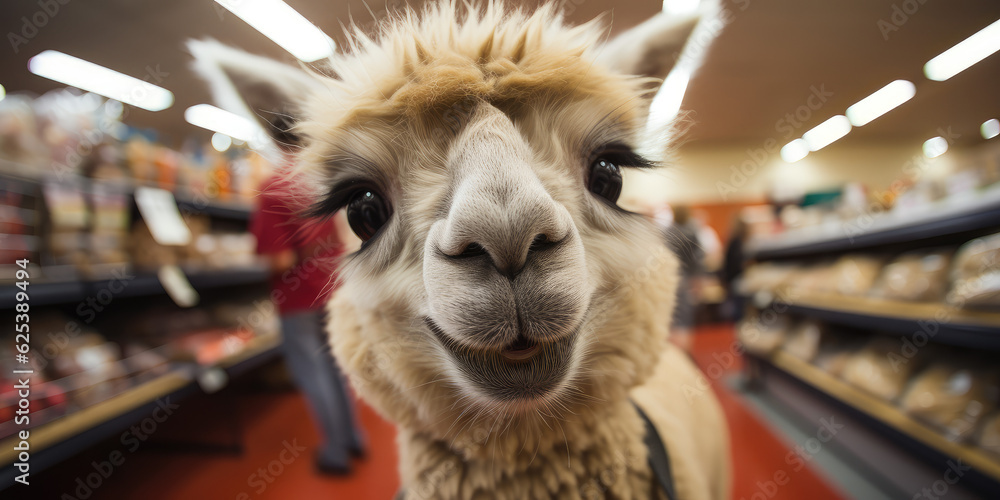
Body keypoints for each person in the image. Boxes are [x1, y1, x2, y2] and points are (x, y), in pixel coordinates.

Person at [250, 176, 366, 475]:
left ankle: (335, 453)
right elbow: (339, 240)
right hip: (329, 289)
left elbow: (281, 259)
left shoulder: (272, 189)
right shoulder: (317, 181)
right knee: (335, 368)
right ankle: (353, 438)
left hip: (297, 298)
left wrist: (253, 262)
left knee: (313, 374)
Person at [663, 205, 704, 350]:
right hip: (685, 281)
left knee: (672, 319)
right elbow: (697, 261)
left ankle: (674, 353)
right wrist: (698, 285)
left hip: (669, 280)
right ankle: (684, 351)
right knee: (684, 319)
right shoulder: (691, 232)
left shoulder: (668, 232)